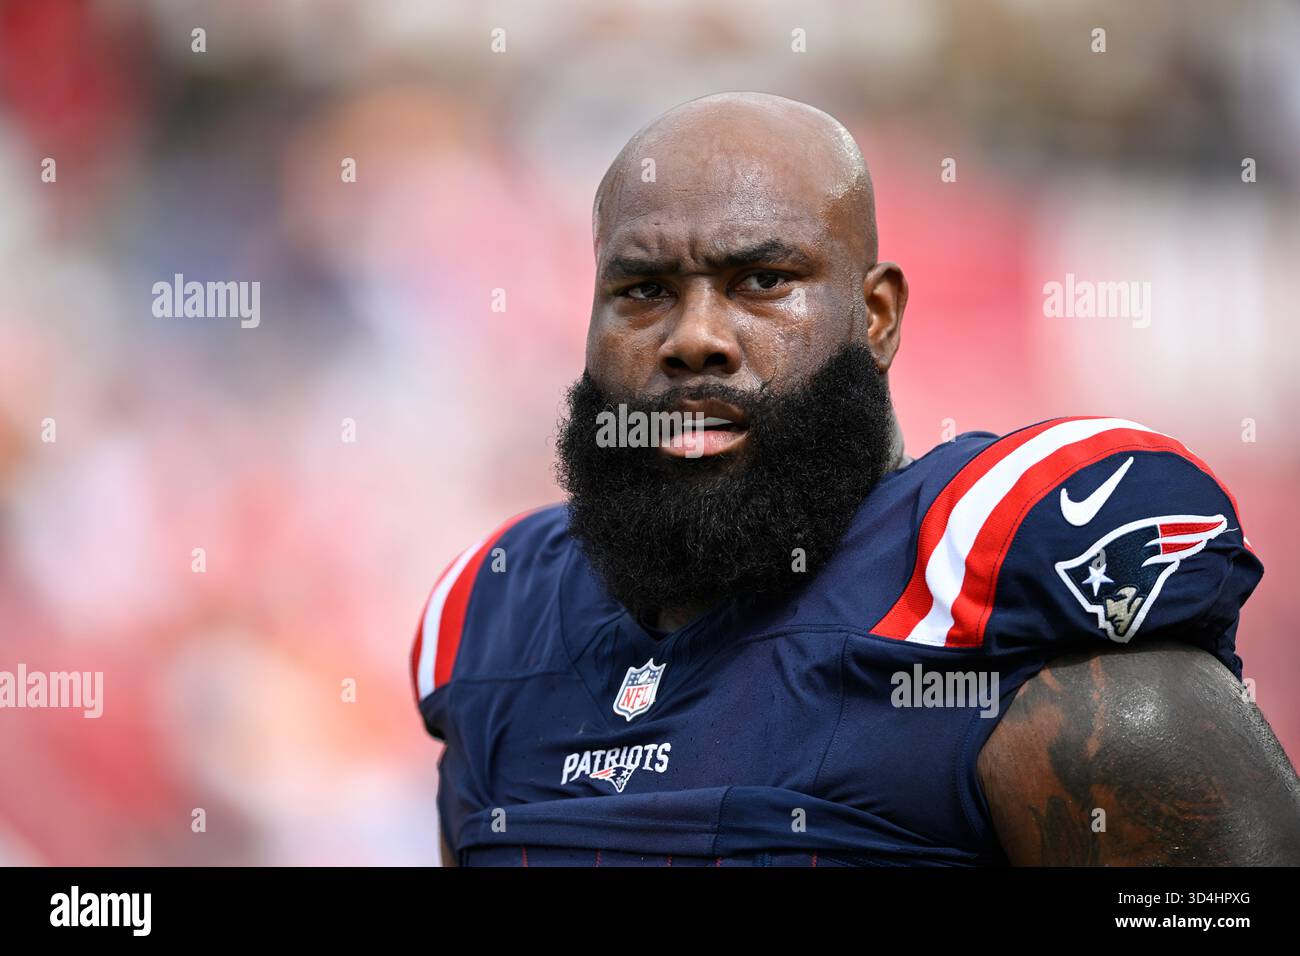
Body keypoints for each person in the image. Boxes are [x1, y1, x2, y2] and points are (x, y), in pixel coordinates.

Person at [412, 92, 1300, 866]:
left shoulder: (1001, 610)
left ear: (875, 316)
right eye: (642, 291)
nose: (692, 338)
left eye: (761, 280)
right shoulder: (498, 633)